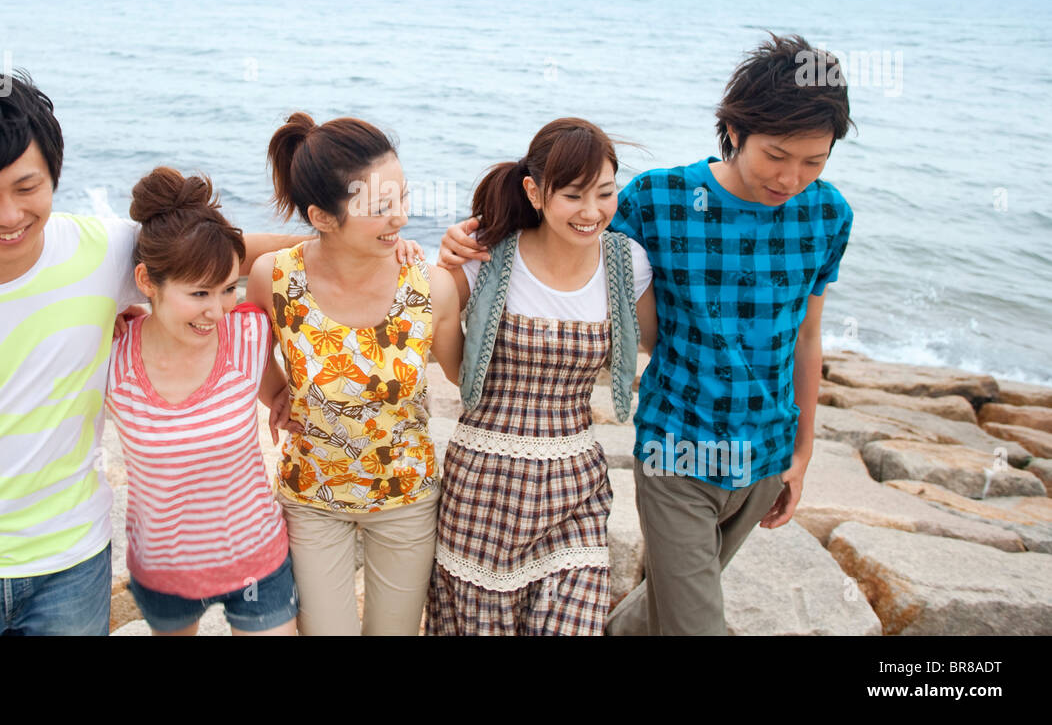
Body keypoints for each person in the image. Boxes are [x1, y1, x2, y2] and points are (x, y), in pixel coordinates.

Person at [0, 72, 327, 636]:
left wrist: (350, 240)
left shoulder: (101, 253)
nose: (9, 215)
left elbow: (216, 252)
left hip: (72, 566)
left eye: (26, 187)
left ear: (54, 175)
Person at [442, 34, 854, 636]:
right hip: (677, 449)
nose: (792, 177)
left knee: (666, 603)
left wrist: (802, 450)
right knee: (696, 624)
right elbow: (570, 231)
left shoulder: (829, 214)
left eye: (814, 161)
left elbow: (807, 336)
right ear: (735, 131)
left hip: (765, 454)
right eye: (778, 155)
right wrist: (473, 243)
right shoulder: (659, 200)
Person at [426, 118, 654, 635]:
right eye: (573, 195)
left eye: (605, 193)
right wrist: (432, 260)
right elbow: (428, 312)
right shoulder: (487, 254)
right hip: (484, 487)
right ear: (533, 191)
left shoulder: (627, 263)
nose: (592, 212)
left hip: (574, 485)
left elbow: (666, 338)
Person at [248, 113, 463, 636]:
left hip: (406, 496)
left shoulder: (430, 287)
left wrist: (468, 264)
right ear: (322, 216)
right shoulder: (274, 278)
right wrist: (278, 392)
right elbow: (248, 352)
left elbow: (464, 377)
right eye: (381, 209)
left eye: (403, 199)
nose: (401, 219)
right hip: (312, 494)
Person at [103, 167, 298, 636]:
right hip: (163, 571)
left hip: (259, 560)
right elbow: (40, 413)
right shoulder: (111, 358)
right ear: (146, 281)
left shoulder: (248, 333)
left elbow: (311, 254)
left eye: (228, 287)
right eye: (198, 294)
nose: (217, 310)